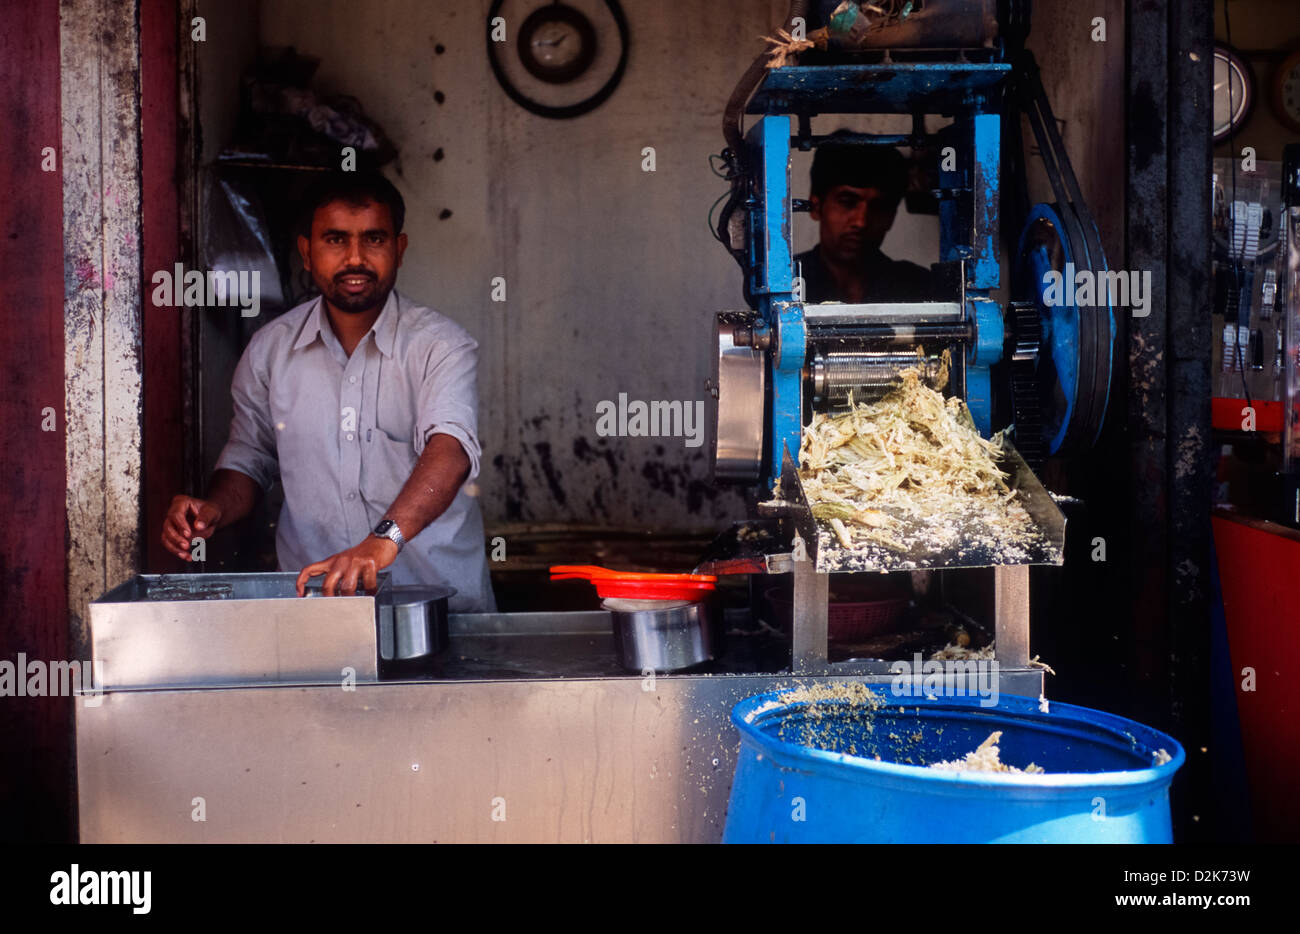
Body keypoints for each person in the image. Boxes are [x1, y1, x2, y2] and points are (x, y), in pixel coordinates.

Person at [161, 172, 495, 610]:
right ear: (306, 251)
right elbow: (250, 457)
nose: (355, 258)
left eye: (373, 239)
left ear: (399, 248)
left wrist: (382, 541)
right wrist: (214, 510)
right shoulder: (270, 351)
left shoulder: (441, 346)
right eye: (335, 240)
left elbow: (449, 451)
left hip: (443, 612)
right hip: (318, 615)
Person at [795, 134, 934, 304]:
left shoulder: (919, 287)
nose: (861, 222)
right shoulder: (786, 280)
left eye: (878, 207)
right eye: (847, 203)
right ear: (816, 206)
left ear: (892, 216)